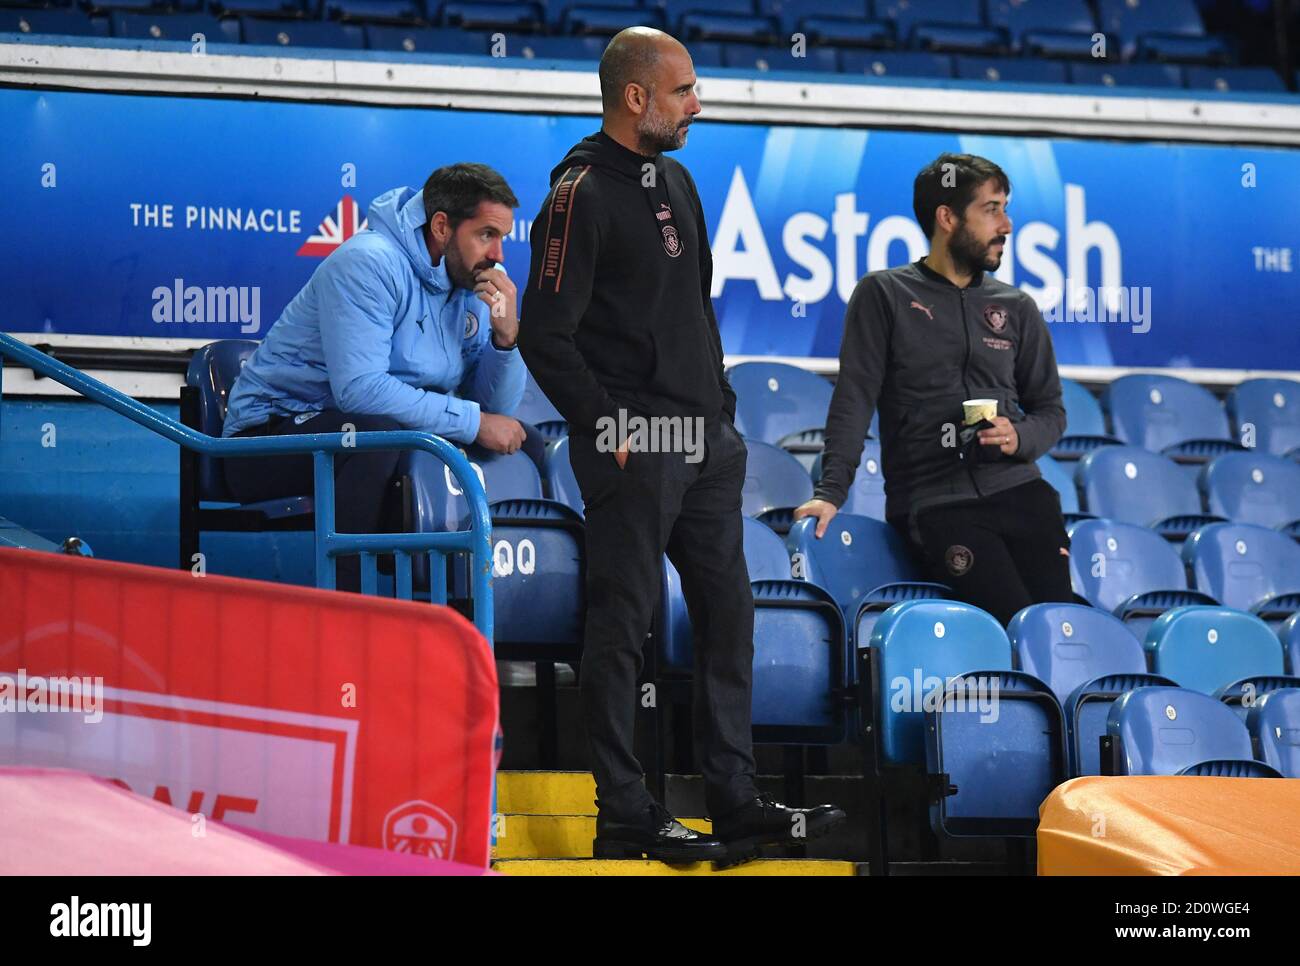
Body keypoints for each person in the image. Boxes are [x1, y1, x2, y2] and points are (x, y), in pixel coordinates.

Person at [519, 26, 845, 865]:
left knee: (729, 618)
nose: (698, 103)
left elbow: (697, 311)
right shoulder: (577, 193)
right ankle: (627, 811)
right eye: (684, 91)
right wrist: (609, 426)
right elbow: (546, 337)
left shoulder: (680, 179)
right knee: (622, 627)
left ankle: (735, 802)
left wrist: (723, 414)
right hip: (635, 440)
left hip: (706, 441)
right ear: (636, 98)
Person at [795, 153, 1073, 626]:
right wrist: (831, 491)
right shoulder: (884, 294)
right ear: (947, 217)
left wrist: (1018, 437)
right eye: (991, 209)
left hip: (1023, 493)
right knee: (1011, 625)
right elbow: (854, 398)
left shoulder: (1016, 306)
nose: (1006, 225)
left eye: (1006, 208)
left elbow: (1051, 411)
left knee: (1058, 628)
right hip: (936, 502)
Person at [222, 163, 529, 591]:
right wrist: (474, 422)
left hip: (372, 433)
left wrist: (506, 339)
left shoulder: (475, 288)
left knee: (484, 441)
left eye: (502, 238)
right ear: (442, 226)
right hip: (267, 439)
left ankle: (461, 611)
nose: (498, 255)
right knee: (378, 435)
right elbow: (360, 391)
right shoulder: (368, 263)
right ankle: (348, 608)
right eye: (486, 235)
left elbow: (494, 412)